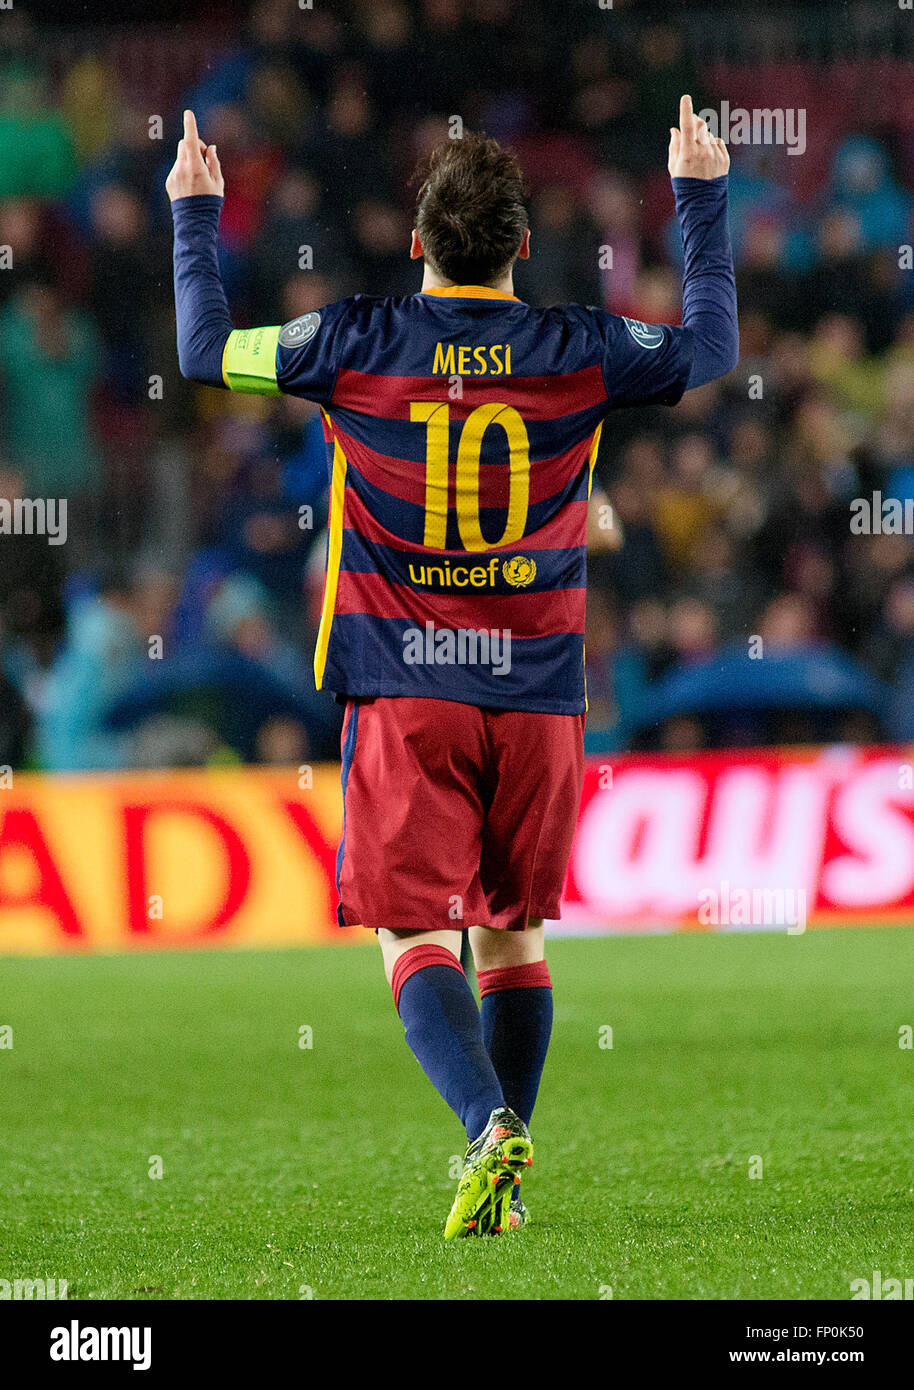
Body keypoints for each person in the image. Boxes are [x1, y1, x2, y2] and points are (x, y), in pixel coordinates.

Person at [167, 95, 737, 1238]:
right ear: (522, 245)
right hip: (536, 698)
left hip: (407, 686)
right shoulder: (578, 348)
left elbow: (197, 349)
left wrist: (194, 216)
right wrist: (700, 197)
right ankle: (504, 1176)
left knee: (411, 932)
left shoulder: (351, 341)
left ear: (417, 241)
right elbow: (712, 349)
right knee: (512, 931)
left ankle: (486, 1126)